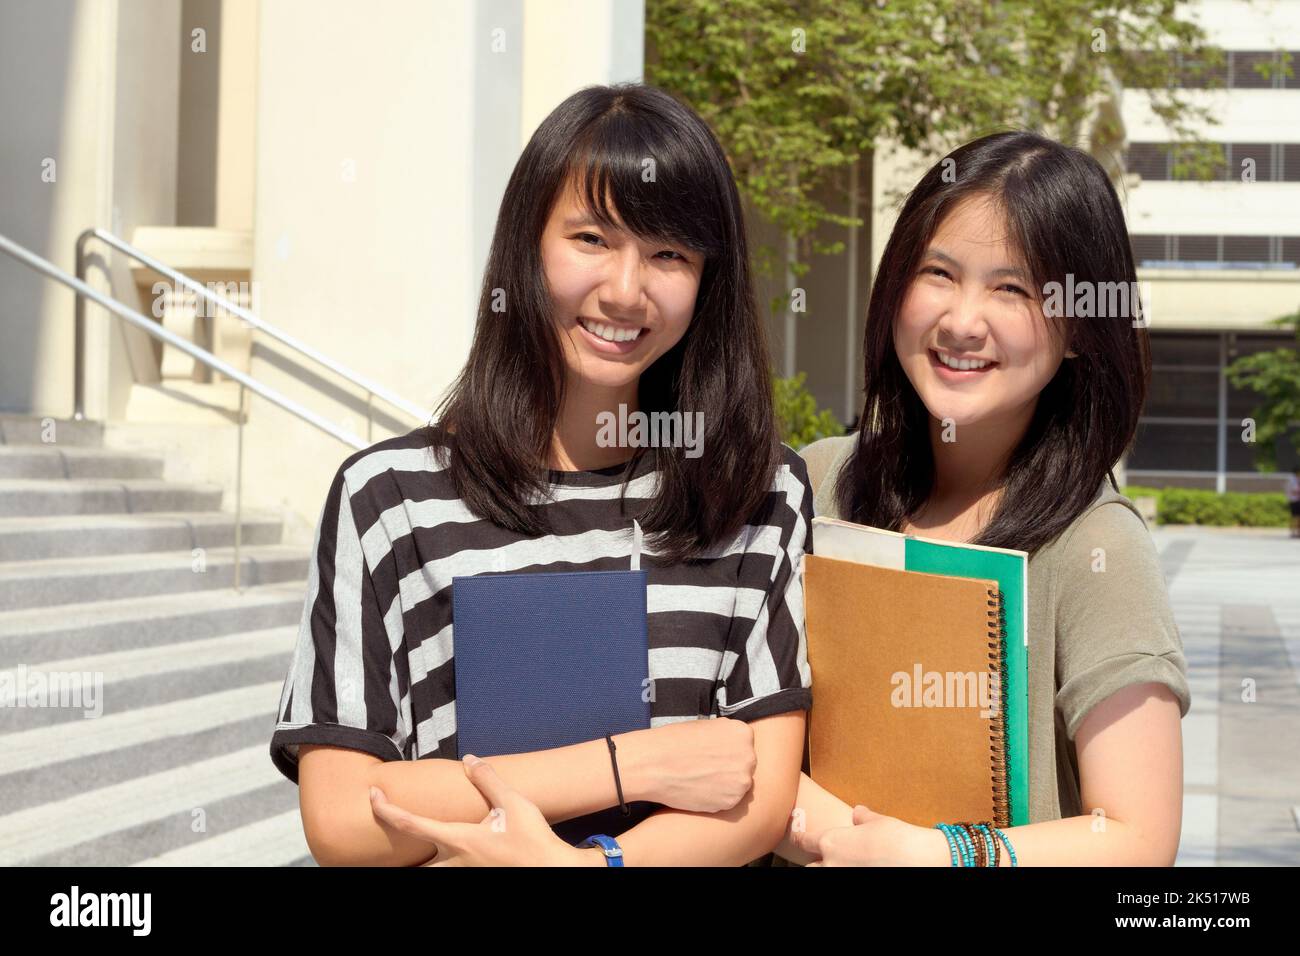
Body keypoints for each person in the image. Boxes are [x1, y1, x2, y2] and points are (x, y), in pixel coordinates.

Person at [269, 83, 812, 866]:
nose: (626, 290)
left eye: (668, 254)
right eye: (591, 238)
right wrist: (635, 763)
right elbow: (347, 818)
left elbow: (759, 802)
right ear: (527, 244)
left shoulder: (760, 494)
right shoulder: (389, 499)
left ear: (707, 280)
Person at [787, 131, 1191, 866]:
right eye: (938, 273)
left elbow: (1138, 836)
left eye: (1012, 289)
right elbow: (738, 728)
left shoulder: (1096, 548)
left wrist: (936, 856)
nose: (962, 321)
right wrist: (818, 823)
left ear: (1077, 331)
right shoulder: (813, 484)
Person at [1287, 467, 1300, 538]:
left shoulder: (1297, 479)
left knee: (1298, 517)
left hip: (1298, 501)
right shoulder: (1292, 479)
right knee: (1294, 517)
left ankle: (1298, 532)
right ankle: (1293, 532)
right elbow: (1294, 490)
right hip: (1294, 501)